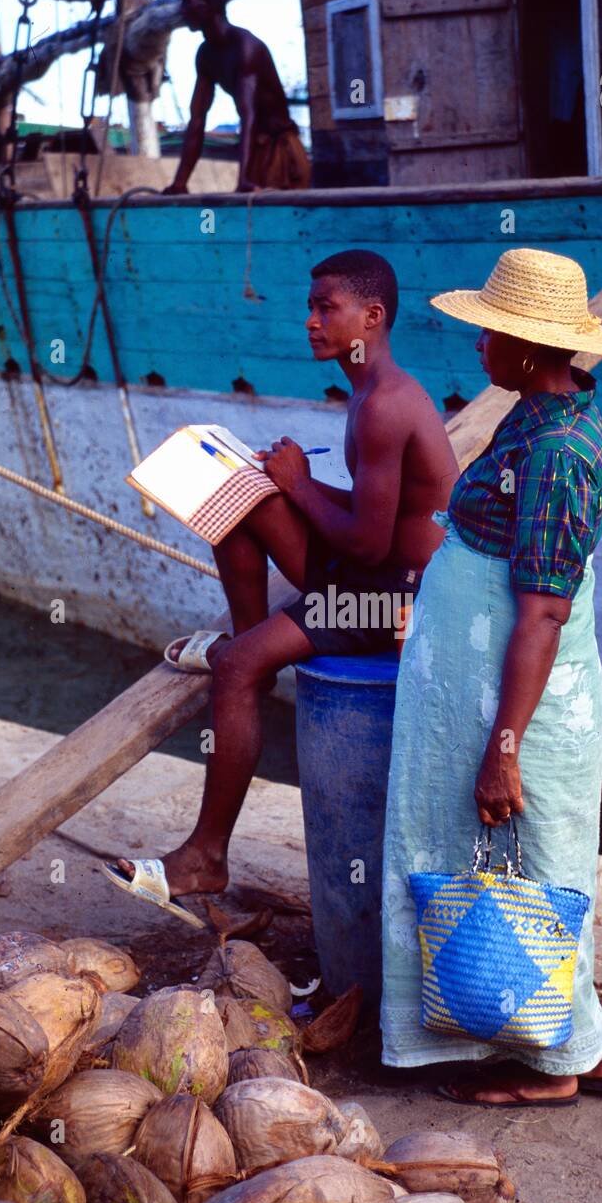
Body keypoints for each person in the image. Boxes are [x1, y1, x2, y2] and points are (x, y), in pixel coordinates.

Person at [104, 249, 458, 920]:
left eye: (327, 308)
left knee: (234, 668)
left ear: (372, 317)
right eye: (311, 307)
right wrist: (282, 482)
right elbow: (365, 522)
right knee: (235, 497)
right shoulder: (370, 390)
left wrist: (296, 484)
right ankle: (252, 650)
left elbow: (369, 542)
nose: (310, 321)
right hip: (369, 575)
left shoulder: (386, 405)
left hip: (393, 601)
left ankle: (205, 857)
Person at [381, 246, 602, 1106]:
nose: (478, 342)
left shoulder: (561, 450)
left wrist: (505, 746)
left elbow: (544, 613)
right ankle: (582, 1045)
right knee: (519, 863)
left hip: (517, 700)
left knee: (534, 865)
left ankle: (548, 1067)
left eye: (491, 329)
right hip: (486, 688)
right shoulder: (535, 414)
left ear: (529, 347)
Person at [164, 0, 310, 194]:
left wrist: (244, 179)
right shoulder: (205, 55)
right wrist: (180, 183)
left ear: (209, 4)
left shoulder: (245, 48)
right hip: (257, 151)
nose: (182, 10)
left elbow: (248, 116)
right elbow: (197, 121)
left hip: (281, 152)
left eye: (187, 1)